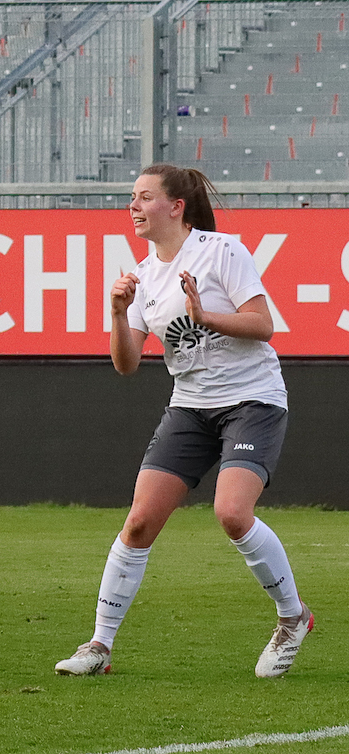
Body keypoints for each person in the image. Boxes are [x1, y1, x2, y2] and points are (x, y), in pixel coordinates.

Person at [54, 164, 311, 679]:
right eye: (132, 197)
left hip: (252, 400)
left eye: (144, 196)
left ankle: (293, 617)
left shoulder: (222, 251)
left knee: (232, 513)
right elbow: (126, 365)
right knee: (139, 523)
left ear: (176, 207)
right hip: (190, 407)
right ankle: (99, 646)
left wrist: (205, 315)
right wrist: (117, 313)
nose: (133, 205)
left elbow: (263, 325)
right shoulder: (142, 276)